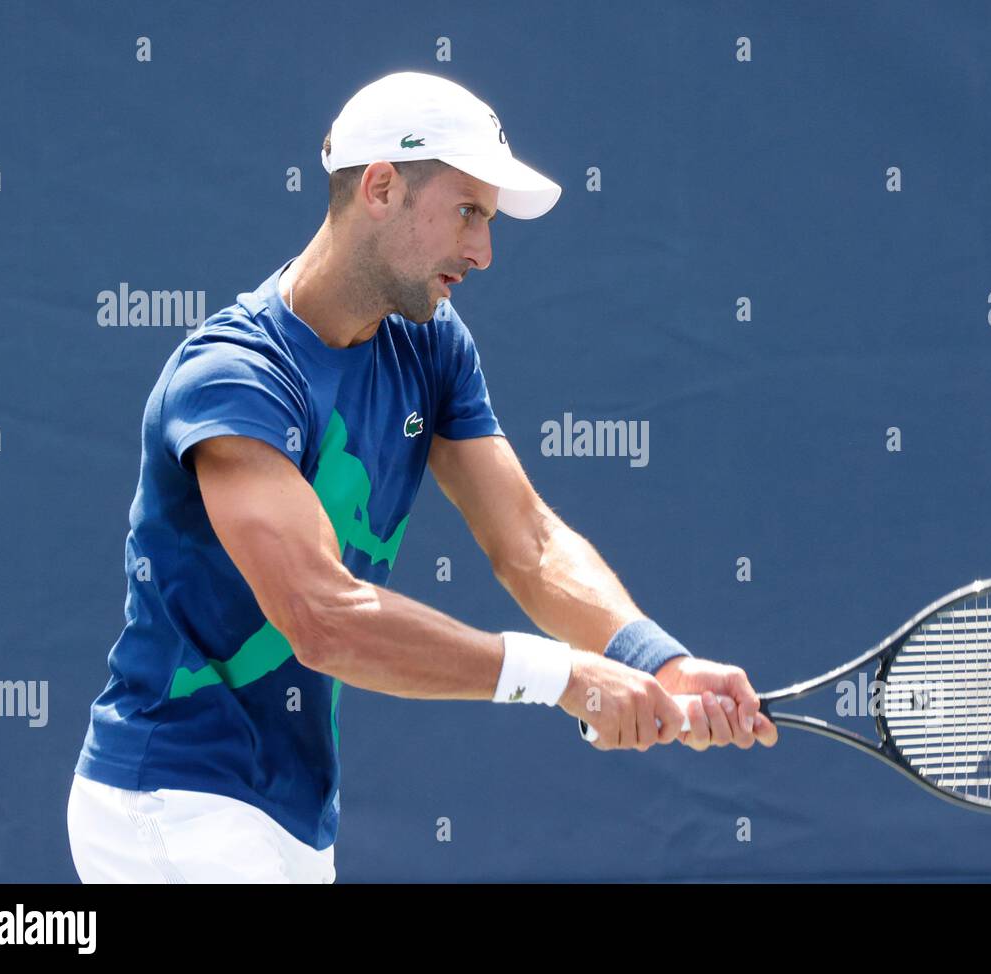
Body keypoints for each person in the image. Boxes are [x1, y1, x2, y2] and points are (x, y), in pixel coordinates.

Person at [67, 71, 778, 884]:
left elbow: (530, 541)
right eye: (468, 211)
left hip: (290, 816)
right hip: (170, 805)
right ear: (381, 188)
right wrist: (565, 678)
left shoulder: (431, 343)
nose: (482, 250)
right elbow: (323, 619)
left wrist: (655, 661)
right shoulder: (232, 378)